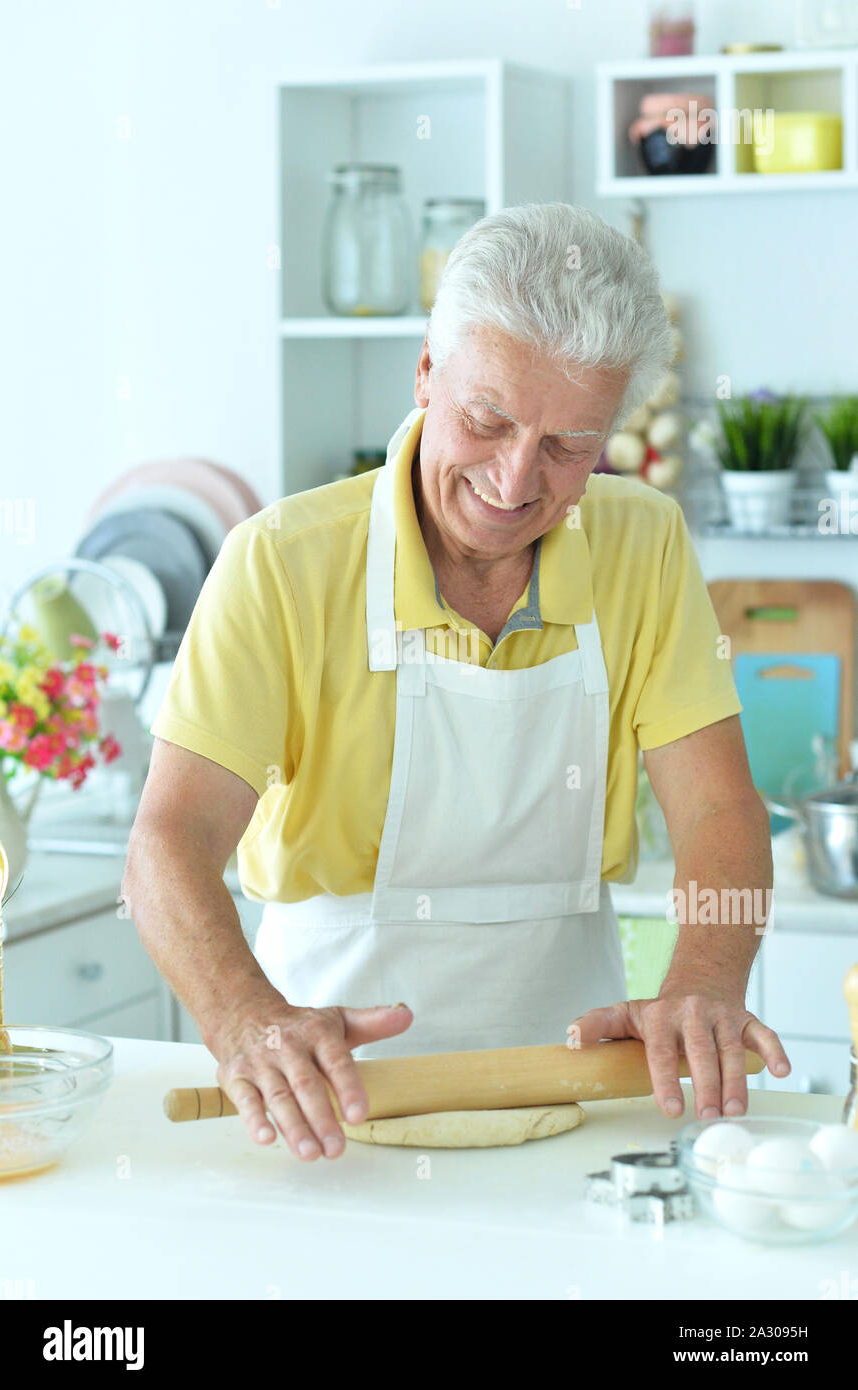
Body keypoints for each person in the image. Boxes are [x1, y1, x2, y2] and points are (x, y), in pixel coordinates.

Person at [124, 203, 789, 1163]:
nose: (516, 481)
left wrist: (704, 984)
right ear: (427, 373)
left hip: (580, 1089)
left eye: (570, 446)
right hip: (325, 1093)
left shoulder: (642, 543)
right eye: (487, 421)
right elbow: (167, 844)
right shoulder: (282, 562)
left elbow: (721, 810)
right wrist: (244, 1018)